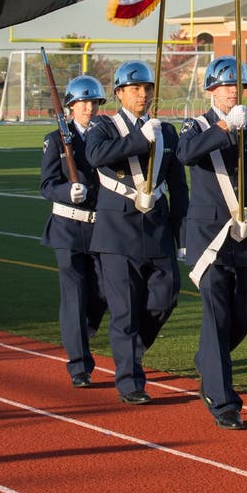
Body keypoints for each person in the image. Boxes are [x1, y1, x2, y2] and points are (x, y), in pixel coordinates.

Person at [85, 60, 189, 405]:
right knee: (125, 310)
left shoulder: (166, 132)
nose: (142, 94)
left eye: (147, 89)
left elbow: (178, 187)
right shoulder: (104, 127)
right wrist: (136, 140)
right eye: (135, 89)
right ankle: (130, 380)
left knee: (165, 298)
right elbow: (96, 156)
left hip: (157, 230)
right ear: (119, 94)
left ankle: (132, 349)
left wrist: (181, 235)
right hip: (117, 234)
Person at [177, 56, 247, 431]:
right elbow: (185, 154)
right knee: (216, 315)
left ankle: (208, 361)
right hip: (210, 236)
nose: (234, 91)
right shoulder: (195, 126)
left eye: (240, 86)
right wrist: (225, 126)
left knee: (246, 314)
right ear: (210, 90)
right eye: (227, 85)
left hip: (245, 236)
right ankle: (222, 400)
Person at [40, 74, 108, 388]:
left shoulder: (103, 135)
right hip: (68, 227)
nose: (90, 108)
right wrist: (68, 191)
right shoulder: (56, 139)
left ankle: (80, 332)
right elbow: (47, 185)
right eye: (83, 102)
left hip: (99, 227)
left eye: (94, 102)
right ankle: (79, 364)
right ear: (70, 106)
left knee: (104, 293)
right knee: (75, 296)